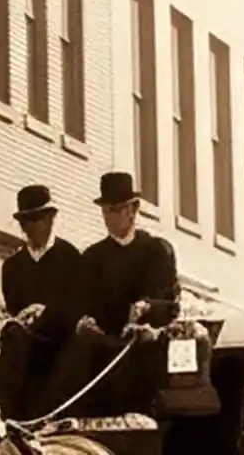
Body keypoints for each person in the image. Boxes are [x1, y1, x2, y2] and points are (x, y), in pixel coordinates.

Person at [52, 171, 181, 416]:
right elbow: (78, 302)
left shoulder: (156, 252)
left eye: (116, 210)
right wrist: (83, 322)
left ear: (133, 210)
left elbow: (170, 304)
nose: (109, 217)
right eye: (106, 211)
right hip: (101, 350)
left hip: (143, 348)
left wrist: (148, 308)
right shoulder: (92, 258)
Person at [0, 184, 83, 420]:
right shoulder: (12, 266)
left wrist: (45, 311)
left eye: (35, 220)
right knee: (5, 338)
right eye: (24, 223)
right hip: (25, 341)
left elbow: (76, 305)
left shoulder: (71, 258)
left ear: (50, 219)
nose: (29, 229)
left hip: (60, 342)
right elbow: (13, 306)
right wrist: (23, 316)